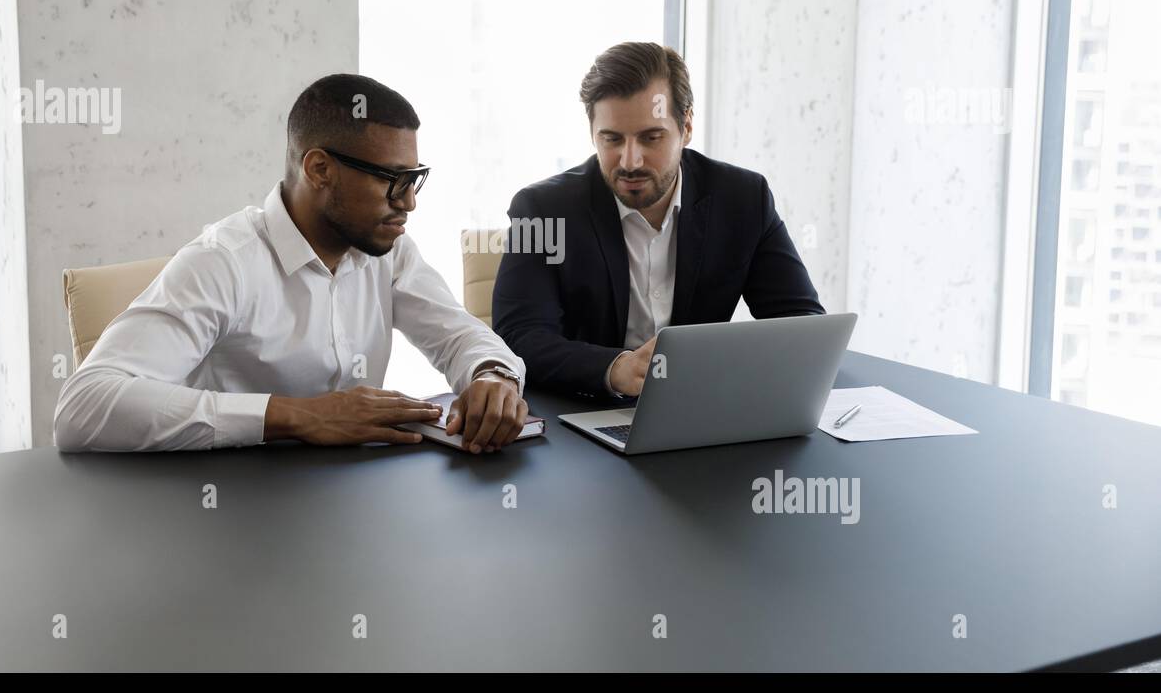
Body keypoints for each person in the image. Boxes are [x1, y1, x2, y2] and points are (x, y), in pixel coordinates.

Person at [55, 73, 527, 454]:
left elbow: (459, 335)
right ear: (319, 169)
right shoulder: (223, 262)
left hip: (348, 504)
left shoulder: (388, 250)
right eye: (392, 180)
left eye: (414, 180)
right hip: (229, 507)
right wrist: (303, 415)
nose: (408, 203)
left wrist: (492, 375)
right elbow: (84, 407)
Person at [493, 41, 823, 398]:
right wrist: (615, 368)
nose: (630, 160)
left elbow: (802, 327)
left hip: (698, 410)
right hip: (580, 413)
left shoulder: (744, 198)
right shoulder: (540, 208)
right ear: (592, 133)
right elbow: (519, 336)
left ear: (687, 126)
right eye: (612, 139)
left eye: (651, 138)